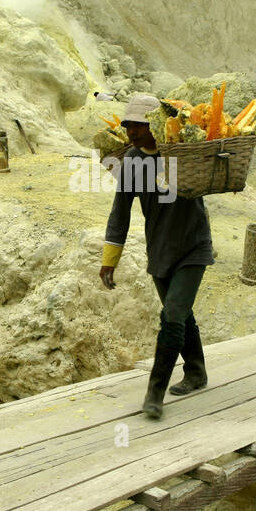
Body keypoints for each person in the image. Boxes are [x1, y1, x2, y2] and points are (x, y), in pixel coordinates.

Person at [98, 93, 212, 419]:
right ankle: (196, 372)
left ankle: (155, 393)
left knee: (173, 316)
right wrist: (110, 258)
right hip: (160, 251)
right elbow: (120, 213)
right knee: (181, 314)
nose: (132, 132)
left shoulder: (181, 153)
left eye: (139, 125)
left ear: (157, 126)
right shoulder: (132, 162)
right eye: (129, 126)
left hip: (194, 246)